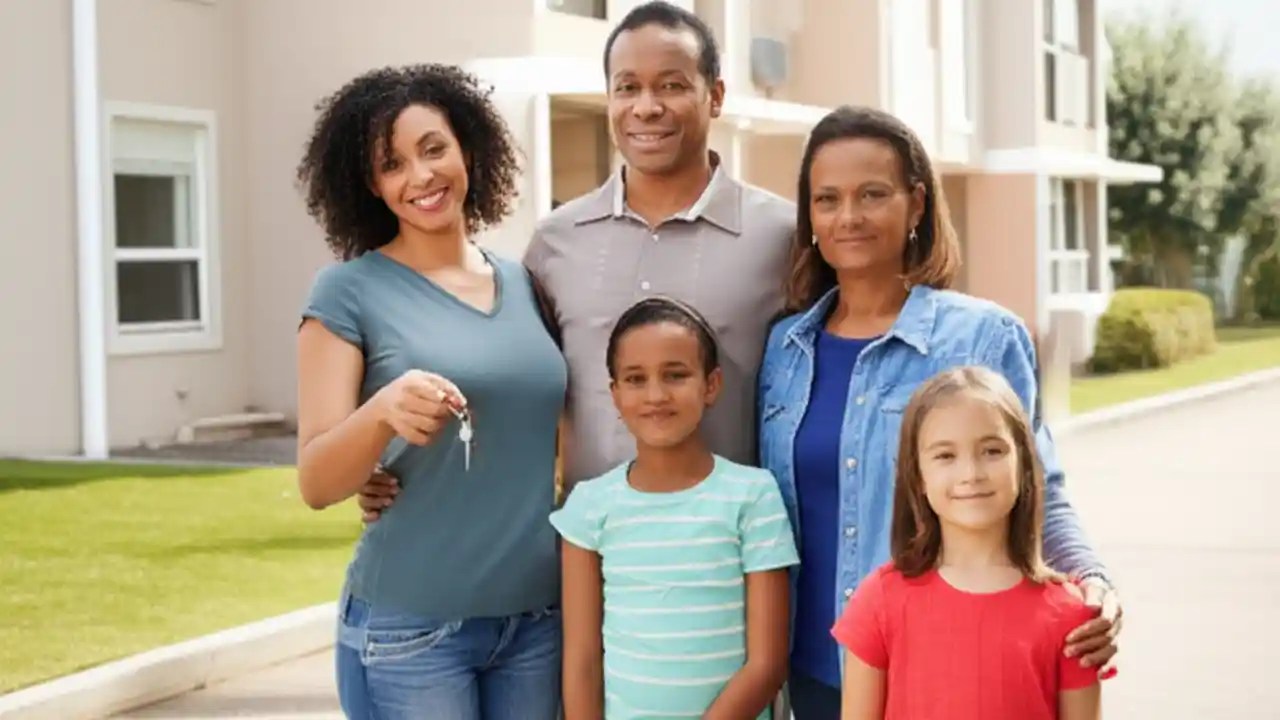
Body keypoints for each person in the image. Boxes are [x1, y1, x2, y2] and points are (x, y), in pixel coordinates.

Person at [757, 105, 1122, 717]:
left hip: (938, 666)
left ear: (917, 204)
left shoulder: (981, 338)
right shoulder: (784, 350)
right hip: (809, 671)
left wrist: (1092, 579)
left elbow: (1039, 485)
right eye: (827, 199)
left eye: (873, 194)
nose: (848, 216)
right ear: (810, 216)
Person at [294, 64, 566, 719]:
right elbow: (317, 482)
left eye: (433, 148)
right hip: (413, 631)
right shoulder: (347, 292)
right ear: (372, 185)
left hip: (537, 620)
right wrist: (381, 414)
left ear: (468, 147)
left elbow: (545, 438)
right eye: (392, 164)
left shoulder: (526, 282)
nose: (420, 176)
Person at [550, 297, 798, 719]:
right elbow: (582, 661)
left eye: (676, 375)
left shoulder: (753, 496)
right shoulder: (590, 507)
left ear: (711, 385)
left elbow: (766, 664)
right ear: (615, 394)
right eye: (635, 378)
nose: (656, 395)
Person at [833, 365, 1103, 720]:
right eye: (945, 455)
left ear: (1024, 464)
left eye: (992, 451)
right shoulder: (879, 602)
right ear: (918, 477)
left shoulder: (1070, 614)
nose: (971, 473)